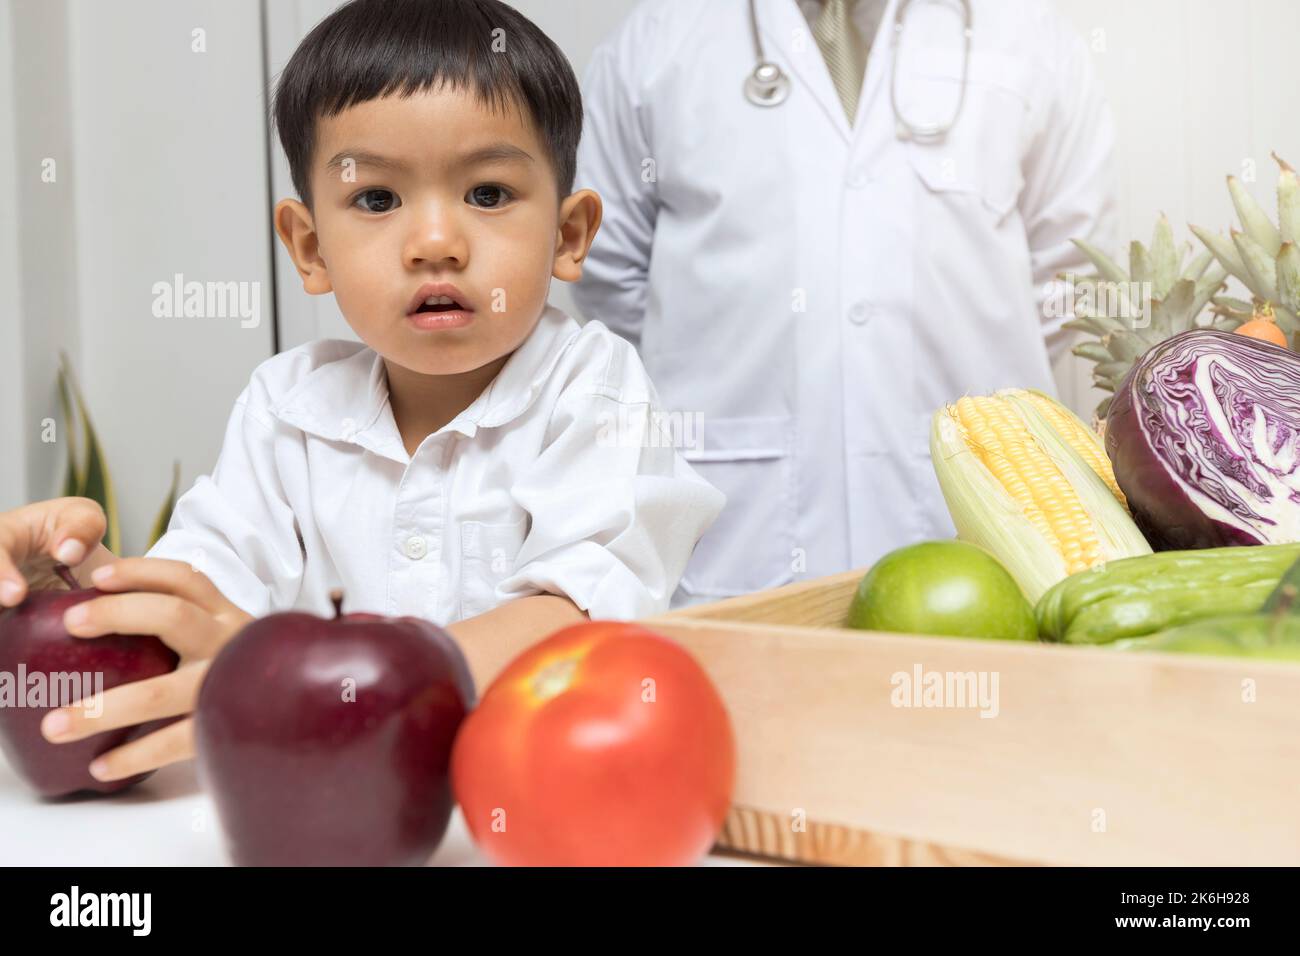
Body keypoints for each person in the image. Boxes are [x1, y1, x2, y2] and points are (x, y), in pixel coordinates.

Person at [0, 0, 723, 786]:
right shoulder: (287, 405)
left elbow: (581, 618)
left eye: (487, 193)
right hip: (331, 809)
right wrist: (82, 596)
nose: (436, 244)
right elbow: (200, 605)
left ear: (570, 235)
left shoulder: (593, 388)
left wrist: (337, 691)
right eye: (377, 200)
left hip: (539, 798)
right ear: (310, 250)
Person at [573, 0, 1118, 605]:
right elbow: (607, 271)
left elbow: (1066, 280)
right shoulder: (655, 41)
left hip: (980, 514)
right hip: (737, 524)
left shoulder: (1030, 37)